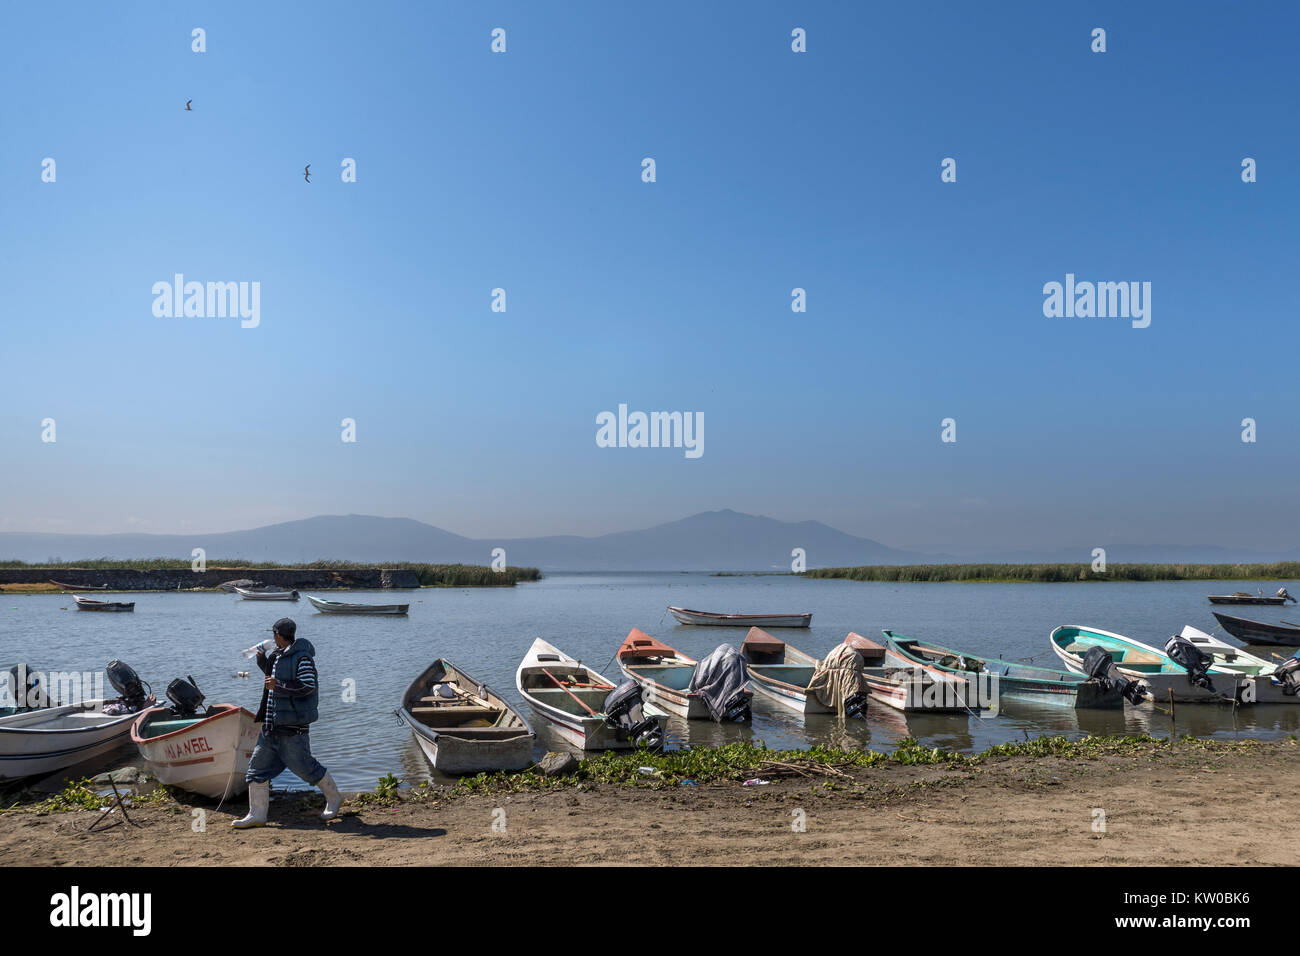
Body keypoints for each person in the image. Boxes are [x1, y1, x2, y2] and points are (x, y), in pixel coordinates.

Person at [232, 617, 341, 828]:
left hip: (292, 729)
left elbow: (308, 686)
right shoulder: (278, 655)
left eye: (274, 634)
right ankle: (257, 814)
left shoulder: (303, 658)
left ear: (278, 635)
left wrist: (279, 686)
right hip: (271, 727)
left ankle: (334, 799)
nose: (272, 638)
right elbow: (273, 676)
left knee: (306, 768)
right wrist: (262, 660)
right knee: (256, 769)